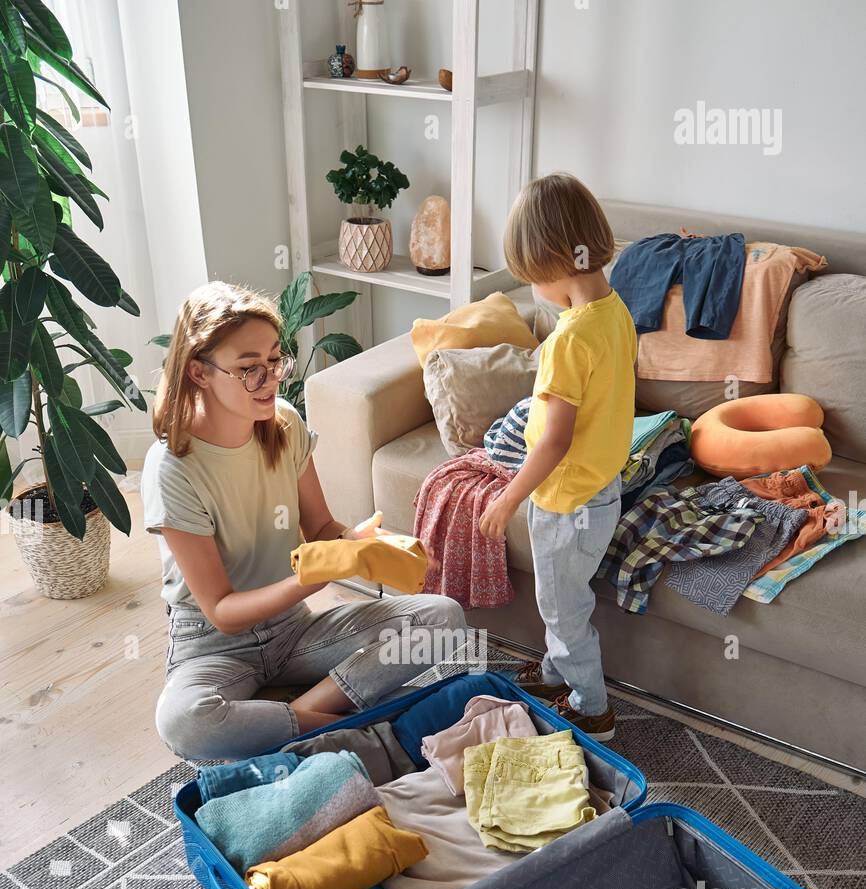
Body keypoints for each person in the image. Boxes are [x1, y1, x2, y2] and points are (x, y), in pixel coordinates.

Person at [141, 281, 464, 760]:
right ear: (199, 372)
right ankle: (359, 727)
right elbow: (222, 611)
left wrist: (360, 543)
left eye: (275, 360)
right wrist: (316, 574)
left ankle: (308, 717)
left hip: (294, 631)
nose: (270, 380)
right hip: (212, 646)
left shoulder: (284, 425)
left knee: (444, 620)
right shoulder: (172, 468)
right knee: (185, 722)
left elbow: (322, 530)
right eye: (249, 369)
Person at [479, 173, 636, 742]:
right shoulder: (614, 312)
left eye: (529, 279)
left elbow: (554, 442)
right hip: (600, 490)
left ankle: (593, 708)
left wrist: (507, 496)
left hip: (567, 501)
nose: (530, 291)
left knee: (563, 609)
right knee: (565, 598)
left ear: (550, 263)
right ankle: (554, 674)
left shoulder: (570, 341)